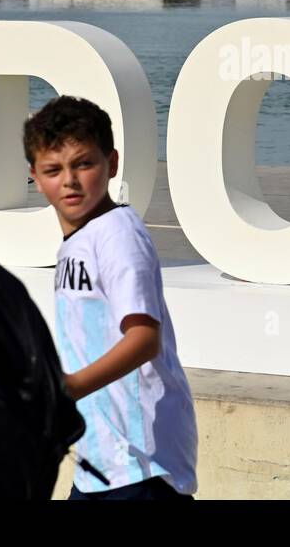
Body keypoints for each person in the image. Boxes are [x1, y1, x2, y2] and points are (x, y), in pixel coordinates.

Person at [25, 95, 198, 500]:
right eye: (53, 169)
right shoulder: (76, 244)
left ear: (112, 163)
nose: (69, 180)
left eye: (83, 164)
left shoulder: (117, 234)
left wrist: (63, 390)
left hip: (142, 464)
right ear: (34, 176)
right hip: (99, 465)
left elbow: (143, 338)